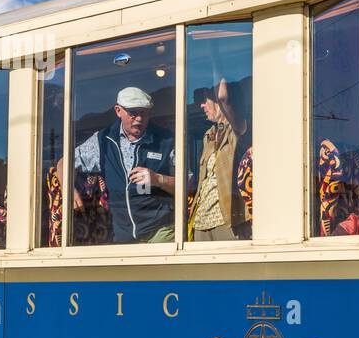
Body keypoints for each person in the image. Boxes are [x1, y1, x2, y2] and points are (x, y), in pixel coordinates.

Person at [59, 86, 176, 243]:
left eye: (144, 113)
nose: (139, 119)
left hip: (160, 230)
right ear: (118, 111)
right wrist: (69, 191)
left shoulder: (166, 140)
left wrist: (158, 179)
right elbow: (63, 163)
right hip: (121, 234)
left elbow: (188, 184)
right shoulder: (103, 141)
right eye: (133, 113)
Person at [189, 79, 252, 241]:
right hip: (201, 221)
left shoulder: (237, 130)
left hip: (226, 220)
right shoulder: (208, 135)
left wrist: (214, 55)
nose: (202, 106)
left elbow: (223, 95)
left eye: (206, 100)